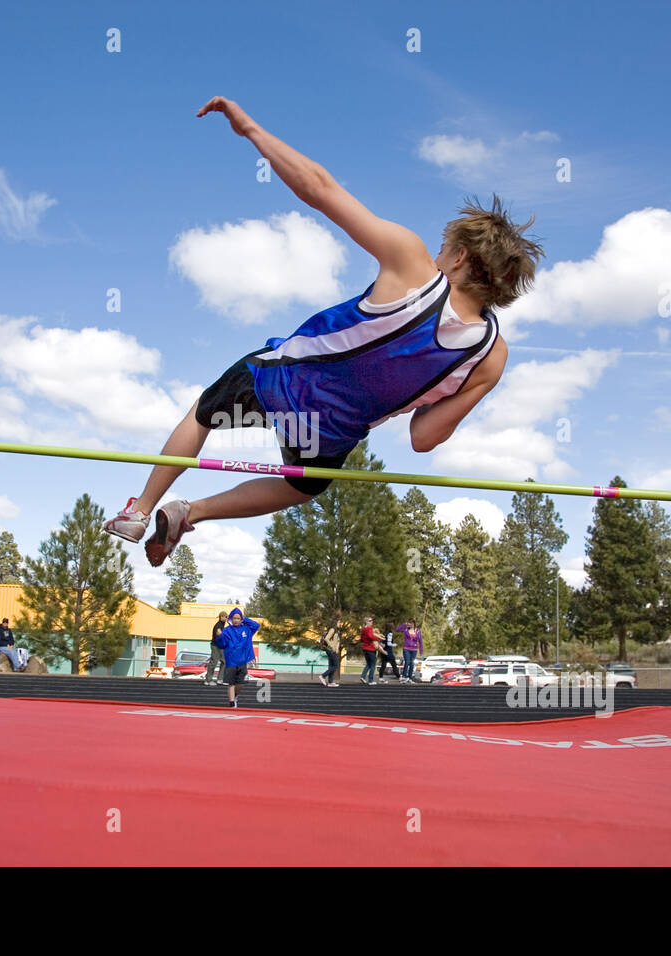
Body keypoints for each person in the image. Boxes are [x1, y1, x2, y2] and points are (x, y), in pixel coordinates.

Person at [105, 97, 541, 567]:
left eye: (443, 250)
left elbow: (319, 187)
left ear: (458, 258)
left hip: (283, 379)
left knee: (204, 415)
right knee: (300, 485)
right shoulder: (491, 355)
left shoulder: (414, 266)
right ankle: (193, 512)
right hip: (329, 434)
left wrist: (251, 129)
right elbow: (424, 437)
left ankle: (141, 508)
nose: (435, 255)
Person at [211, 608, 260, 708]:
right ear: (231, 619)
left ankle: (235, 696)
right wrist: (220, 637)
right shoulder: (227, 630)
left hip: (242, 660)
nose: (236, 620)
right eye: (234, 618)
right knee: (231, 683)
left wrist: (244, 618)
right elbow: (222, 644)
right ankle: (232, 703)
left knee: (240, 684)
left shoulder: (247, 629)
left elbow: (256, 625)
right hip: (231, 661)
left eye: (238, 618)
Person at [206, 611, 228, 686]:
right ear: (221, 617)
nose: (225, 618)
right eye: (224, 617)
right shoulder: (218, 625)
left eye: (226, 617)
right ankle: (208, 680)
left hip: (220, 646)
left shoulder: (222, 624)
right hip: (215, 646)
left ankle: (220, 679)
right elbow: (219, 633)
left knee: (224, 661)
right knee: (214, 662)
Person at [319, 619, 342, 687]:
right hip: (330, 650)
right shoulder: (332, 630)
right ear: (335, 623)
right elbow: (326, 638)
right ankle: (323, 676)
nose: (340, 623)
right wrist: (332, 646)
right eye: (339, 622)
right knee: (336, 665)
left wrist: (337, 648)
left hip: (333, 650)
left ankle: (330, 682)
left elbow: (337, 641)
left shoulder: (337, 631)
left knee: (332, 666)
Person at [358, 617, 380, 686]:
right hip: (370, 649)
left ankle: (363, 676)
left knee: (368, 664)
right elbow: (371, 636)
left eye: (372, 620)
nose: (372, 622)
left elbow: (361, 638)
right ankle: (370, 680)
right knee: (373, 665)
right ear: (366, 622)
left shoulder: (363, 629)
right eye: (370, 621)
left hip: (365, 648)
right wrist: (378, 638)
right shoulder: (369, 628)